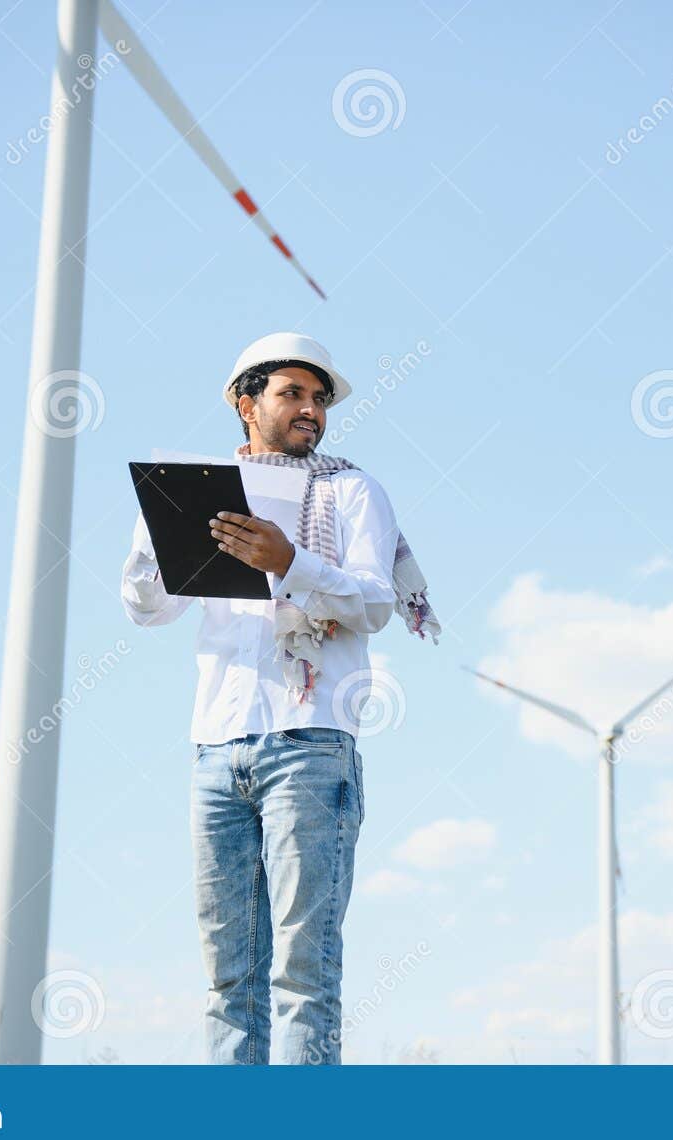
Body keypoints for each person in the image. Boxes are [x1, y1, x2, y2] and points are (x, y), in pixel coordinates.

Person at [119, 332, 438, 1064]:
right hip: (215, 748)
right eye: (292, 393)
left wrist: (288, 561)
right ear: (246, 403)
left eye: (319, 398)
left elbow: (375, 603)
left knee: (304, 969)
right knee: (227, 977)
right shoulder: (204, 491)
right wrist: (154, 536)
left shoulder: (352, 491)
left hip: (311, 743)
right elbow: (149, 610)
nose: (310, 410)